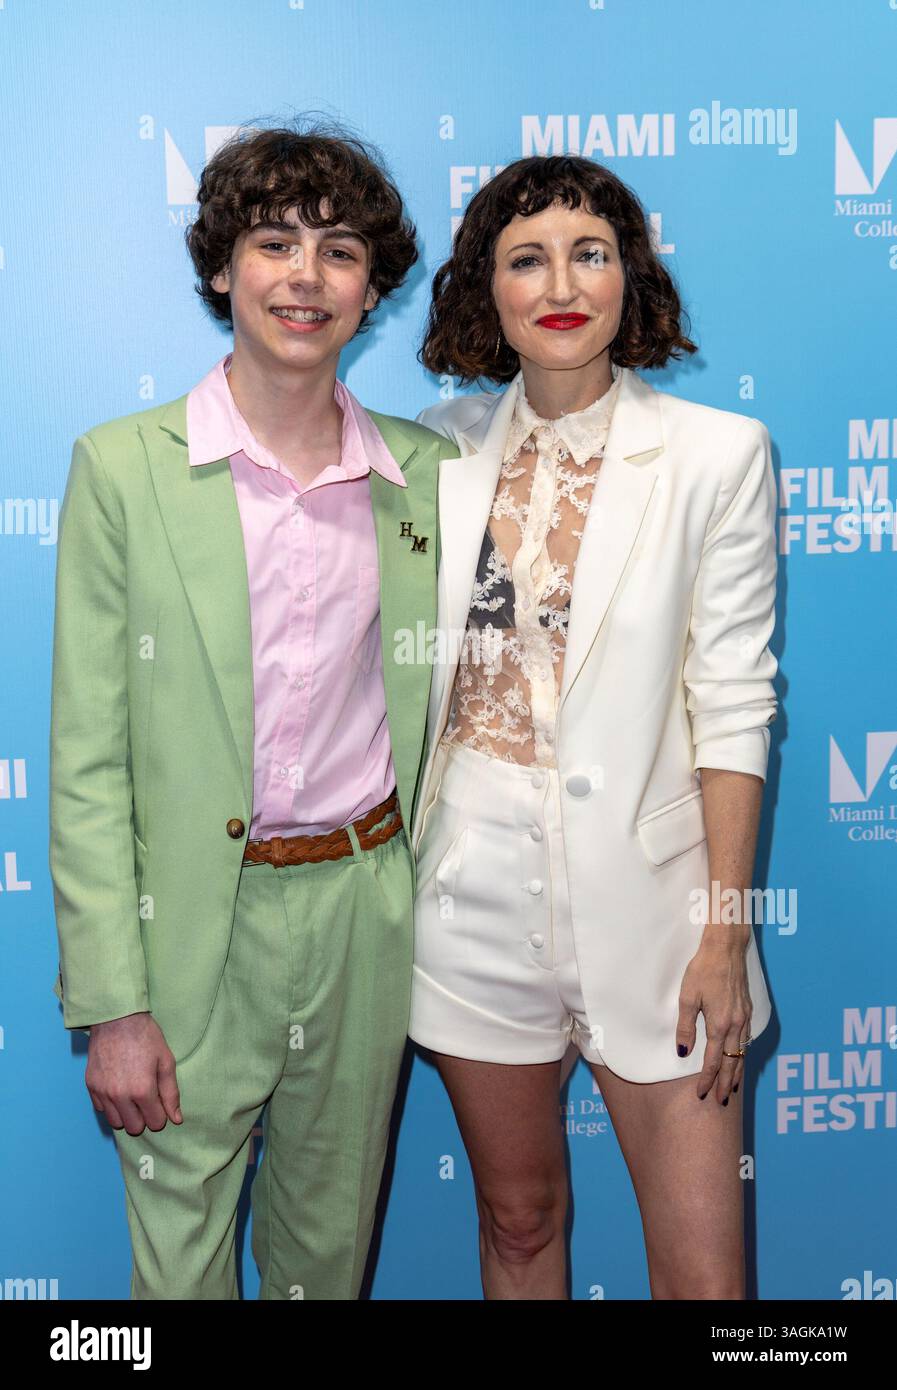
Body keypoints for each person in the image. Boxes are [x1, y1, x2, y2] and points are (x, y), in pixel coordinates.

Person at [48, 119, 458, 1300]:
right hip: (185, 929)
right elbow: (86, 761)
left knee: (323, 1264)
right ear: (222, 267)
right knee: (177, 1270)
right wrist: (113, 1002)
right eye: (274, 242)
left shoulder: (428, 477)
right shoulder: (123, 468)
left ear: (372, 288)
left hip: (360, 915)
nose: (305, 275)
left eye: (339, 251)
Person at [408, 154, 779, 1300]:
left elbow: (734, 700)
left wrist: (724, 931)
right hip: (467, 908)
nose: (562, 282)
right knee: (518, 1225)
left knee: (705, 1280)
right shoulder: (436, 450)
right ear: (489, 290)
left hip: (665, 924)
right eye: (527, 258)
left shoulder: (718, 454)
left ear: (632, 277)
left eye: (590, 252)